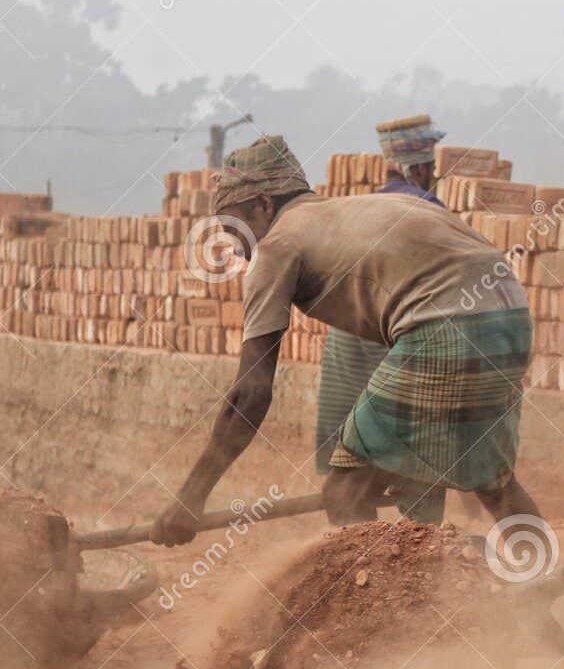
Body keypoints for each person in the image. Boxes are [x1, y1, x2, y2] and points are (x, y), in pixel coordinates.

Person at [151, 134, 539, 545]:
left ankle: (397, 606)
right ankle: (537, 591)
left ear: (265, 205)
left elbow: (251, 393)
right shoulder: (367, 207)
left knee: (345, 492)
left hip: (446, 327)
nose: (239, 250)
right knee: (495, 486)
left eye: (236, 227)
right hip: (510, 318)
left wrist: (191, 496)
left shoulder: (278, 244)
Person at [313, 115, 449, 500]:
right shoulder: (428, 210)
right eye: (432, 168)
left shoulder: (365, 207)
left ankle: (353, 533)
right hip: (393, 331)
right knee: (418, 452)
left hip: (345, 332)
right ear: (420, 167)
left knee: (349, 451)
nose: (433, 174)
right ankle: (414, 536)